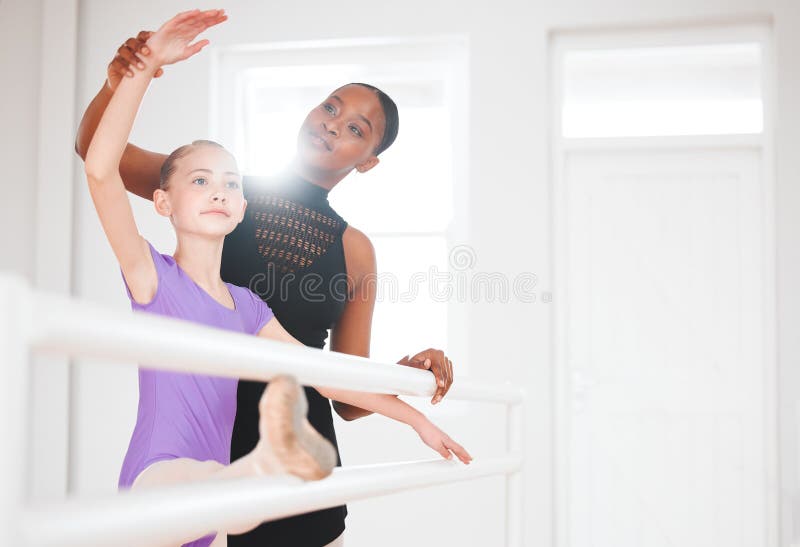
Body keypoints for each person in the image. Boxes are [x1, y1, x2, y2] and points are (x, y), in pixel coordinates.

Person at [80, 9, 471, 547]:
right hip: (205, 448)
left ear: (369, 160)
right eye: (330, 106)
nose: (334, 123)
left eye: (356, 127)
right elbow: (97, 154)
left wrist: (407, 376)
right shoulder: (217, 186)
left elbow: (344, 391)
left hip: (302, 465)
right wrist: (127, 75)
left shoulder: (351, 248)